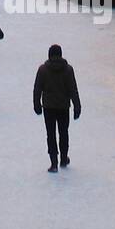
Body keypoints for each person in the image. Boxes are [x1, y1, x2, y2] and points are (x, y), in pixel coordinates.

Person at [33, 44, 81, 173]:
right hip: (63, 107)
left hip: (48, 107)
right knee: (63, 132)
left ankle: (54, 162)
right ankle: (64, 158)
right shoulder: (68, 70)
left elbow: (37, 89)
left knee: (51, 134)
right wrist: (77, 106)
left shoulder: (43, 70)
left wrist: (36, 104)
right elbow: (73, 89)